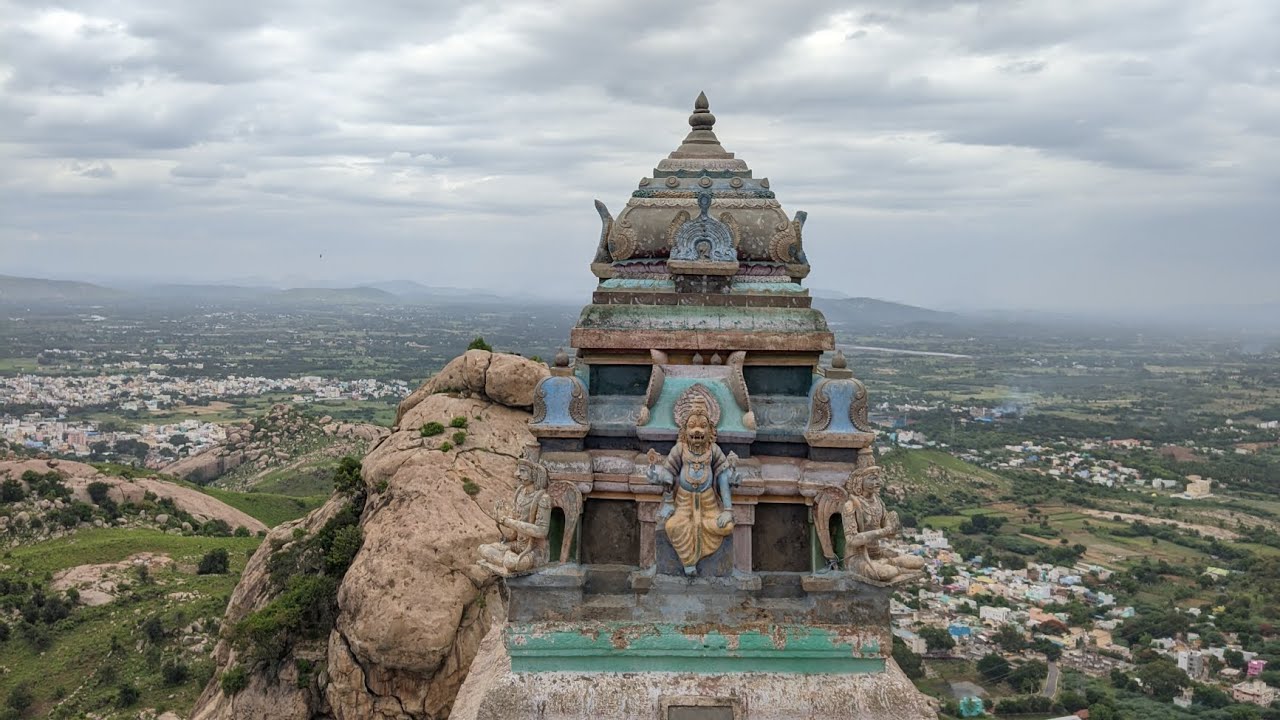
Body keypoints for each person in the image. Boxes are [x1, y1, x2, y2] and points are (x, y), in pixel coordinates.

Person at [646, 394, 738, 575]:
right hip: (684, 503)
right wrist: (657, 475)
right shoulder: (680, 449)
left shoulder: (713, 450)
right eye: (692, 426)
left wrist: (727, 510)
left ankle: (698, 558)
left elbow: (723, 477)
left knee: (726, 526)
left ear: (711, 431)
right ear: (684, 430)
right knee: (672, 526)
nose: (697, 431)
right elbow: (668, 472)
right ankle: (688, 562)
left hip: (708, 504)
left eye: (703, 426)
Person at [841, 465, 924, 581]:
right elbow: (852, 539)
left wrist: (893, 527)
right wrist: (883, 531)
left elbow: (889, 533)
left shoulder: (878, 502)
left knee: (919, 561)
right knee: (886, 572)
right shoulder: (850, 506)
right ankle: (896, 569)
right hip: (858, 557)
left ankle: (887, 563)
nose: (878, 482)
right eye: (872, 479)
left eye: (878, 479)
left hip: (878, 553)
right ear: (860, 481)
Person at [478, 459, 551, 576]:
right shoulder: (520, 494)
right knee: (482, 548)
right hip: (517, 545)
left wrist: (508, 522)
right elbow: (513, 535)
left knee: (511, 562)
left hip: (534, 552)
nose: (517, 474)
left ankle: (508, 560)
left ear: (534, 473)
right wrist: (500, 519)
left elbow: (542, 531)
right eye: (518, 470)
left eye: (522, 471)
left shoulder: (543, 498)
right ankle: (507, 558)